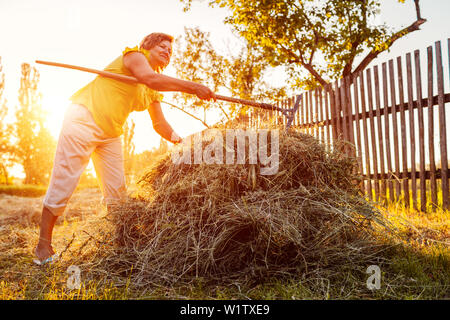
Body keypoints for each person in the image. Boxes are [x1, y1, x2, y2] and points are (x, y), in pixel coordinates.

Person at [33, 32, 216, 264]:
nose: (167, 51)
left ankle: (119, 246)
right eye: (162, 46)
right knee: (64, 181)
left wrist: (182, 142)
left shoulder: (153, 89)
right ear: (146, 47)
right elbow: (149, 78)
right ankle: (43, 247)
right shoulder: (134, 56)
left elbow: (160, 124)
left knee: (118, 195)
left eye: (170, 50)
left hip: (110, 134)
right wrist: (193, 87)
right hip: (83, 119)